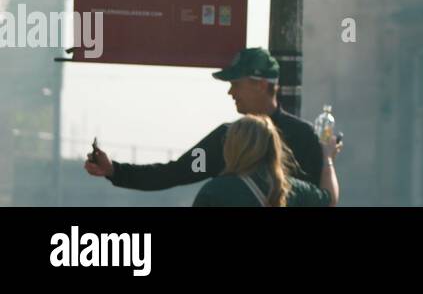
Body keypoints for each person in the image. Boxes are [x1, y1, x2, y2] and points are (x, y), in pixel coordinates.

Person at [83, 46, 325, 191]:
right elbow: (176, 172)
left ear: (261, 84)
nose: (230, 92)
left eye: (235, 84)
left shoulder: (301, 137)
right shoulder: (224, 138)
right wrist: (115, 171)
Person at [192, 114, 340, 207]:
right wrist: (327, 158)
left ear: (232, 147)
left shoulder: (214, 191)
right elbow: (330, 199)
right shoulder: (292, 189)